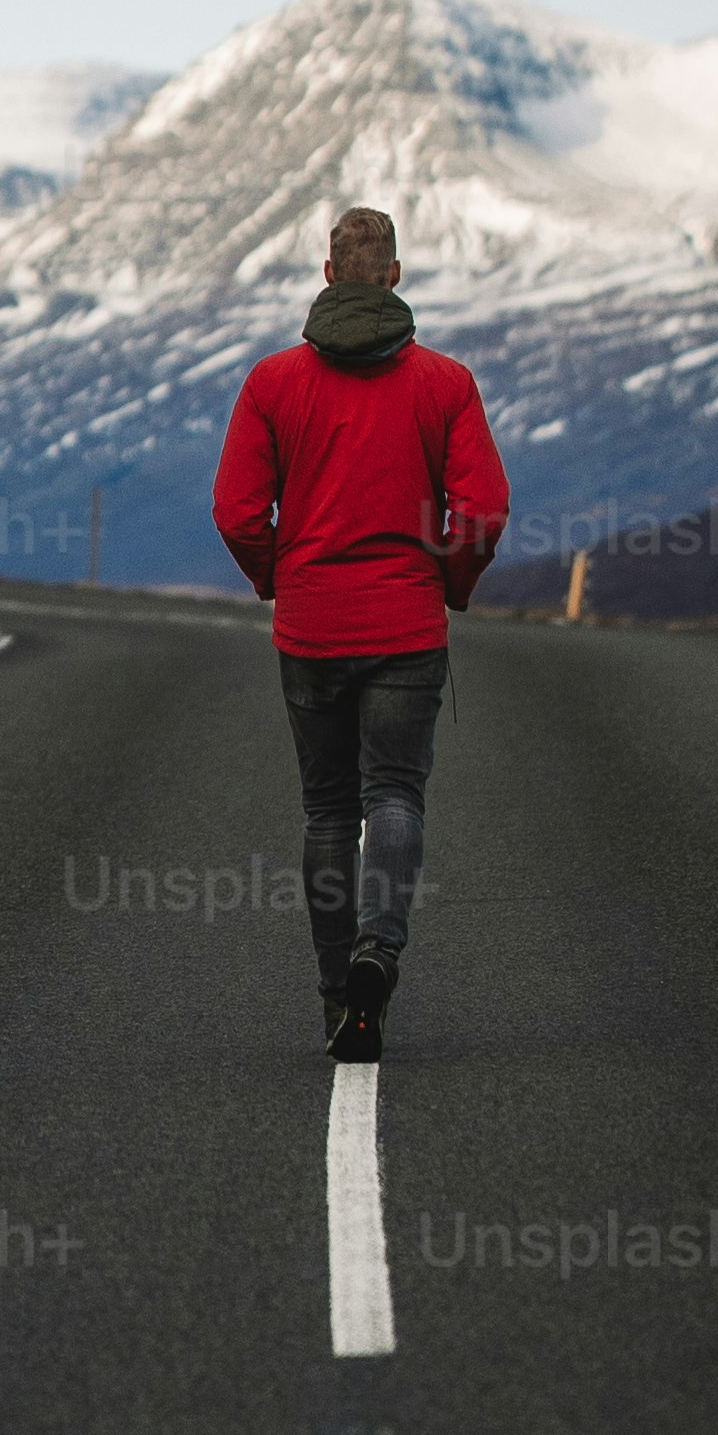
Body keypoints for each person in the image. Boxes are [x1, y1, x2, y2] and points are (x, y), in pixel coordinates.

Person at [210, 203, 509, 1062]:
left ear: (330, 274)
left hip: (310, 630)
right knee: (395, 796)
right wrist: (447, 580)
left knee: (328, 808)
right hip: (406, 625)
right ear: (395, 276)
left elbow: (235, 510)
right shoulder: (444, 385)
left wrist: (277, 575)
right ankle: (382, 946)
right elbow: (482, 511)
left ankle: (340, 988)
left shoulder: (273, 384)